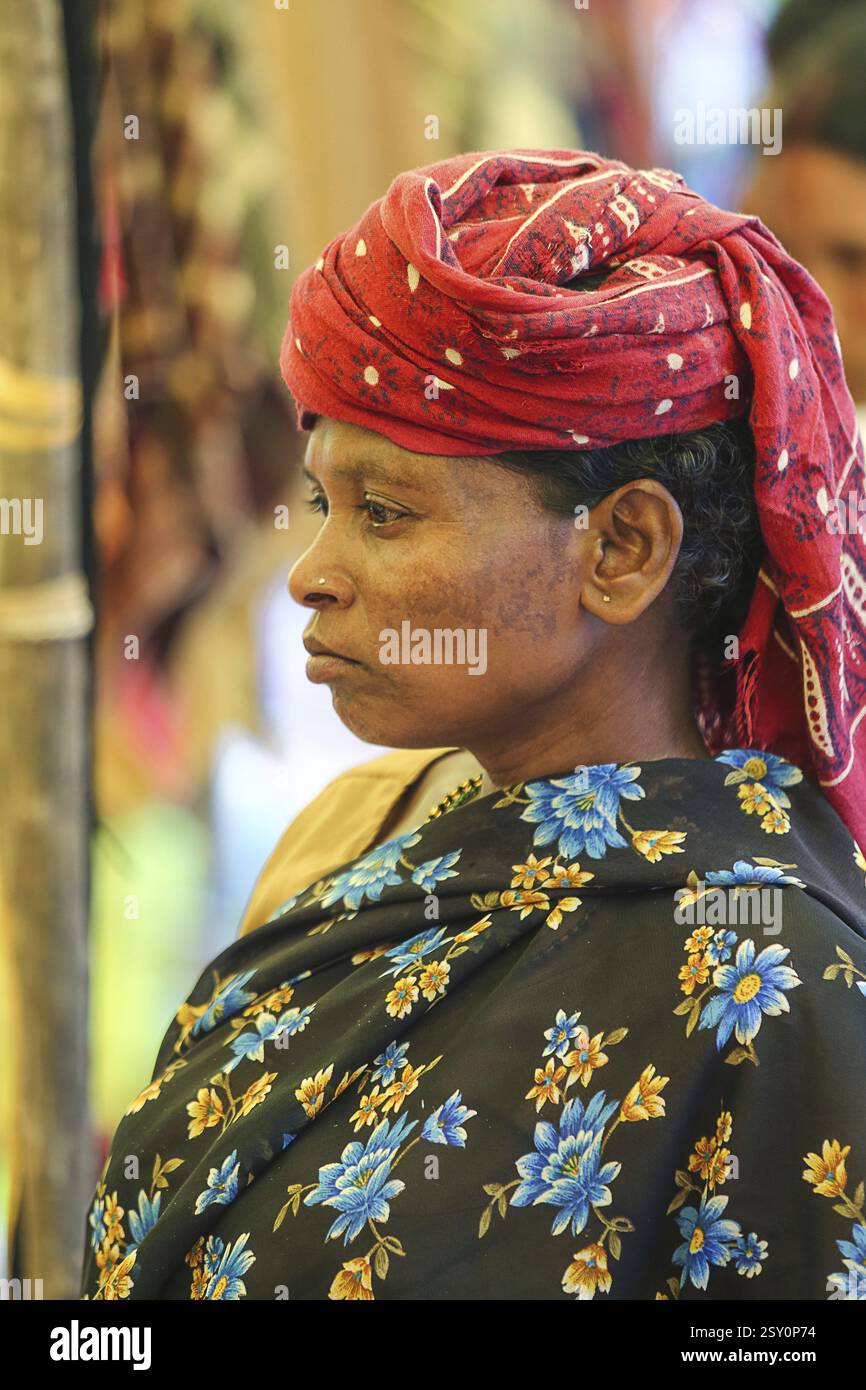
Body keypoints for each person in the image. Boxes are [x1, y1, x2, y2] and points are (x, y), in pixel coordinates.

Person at [80, 149, 866, 1301]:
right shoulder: (353, 834)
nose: (309, 575)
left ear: (620, 549)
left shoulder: (771, 974)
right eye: (322, 501)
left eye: (385, 512)